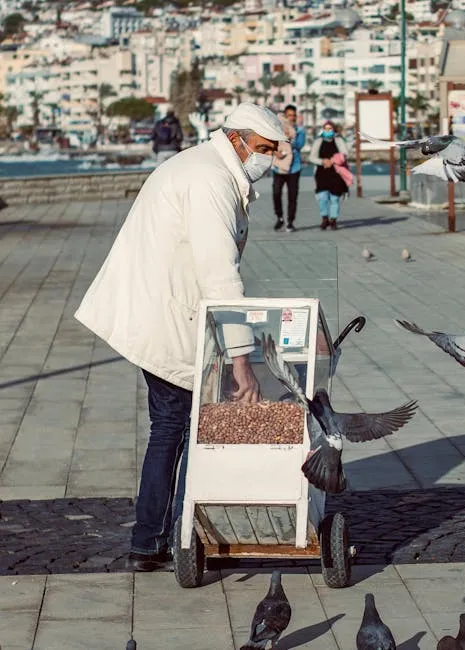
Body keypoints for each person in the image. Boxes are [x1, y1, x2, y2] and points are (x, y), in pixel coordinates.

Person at [74, 103, 288, 572]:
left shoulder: (202, 167)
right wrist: (241, 359)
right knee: (188, 429)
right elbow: (219, 274)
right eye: (265, 149)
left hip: (162, 313)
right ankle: (180, 539)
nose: (270, 159)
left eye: (275, 150)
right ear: (237, 140)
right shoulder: (210, 179)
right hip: (169, 320)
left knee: (169, 430)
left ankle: (149, 542)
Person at [309, 120, 350, 230]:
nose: (328, 131)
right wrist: (323, 161)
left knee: (334, 198)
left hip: (336, 173)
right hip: (321, 173)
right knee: (322, 197)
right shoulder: (318, 141)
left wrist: (332, 160)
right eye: (326, 129)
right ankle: (324, 218)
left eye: (330, 128)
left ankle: (333, 219)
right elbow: (311, 157)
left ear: (334, 129)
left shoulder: (339, 140)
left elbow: (345, 154)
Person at [271, 104, 306, 232]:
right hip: (278, 167)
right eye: (289, 115)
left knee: (293, 196)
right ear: (285, 116)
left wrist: (292, 138)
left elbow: (300, 145)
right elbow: (271, 144)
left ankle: (290, 222)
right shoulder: (277, 128)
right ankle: (280, 217)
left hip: (294, 167)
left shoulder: (300, 130)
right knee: (276, 193)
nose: (292, 118)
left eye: (294, 115)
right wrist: (276, 152)